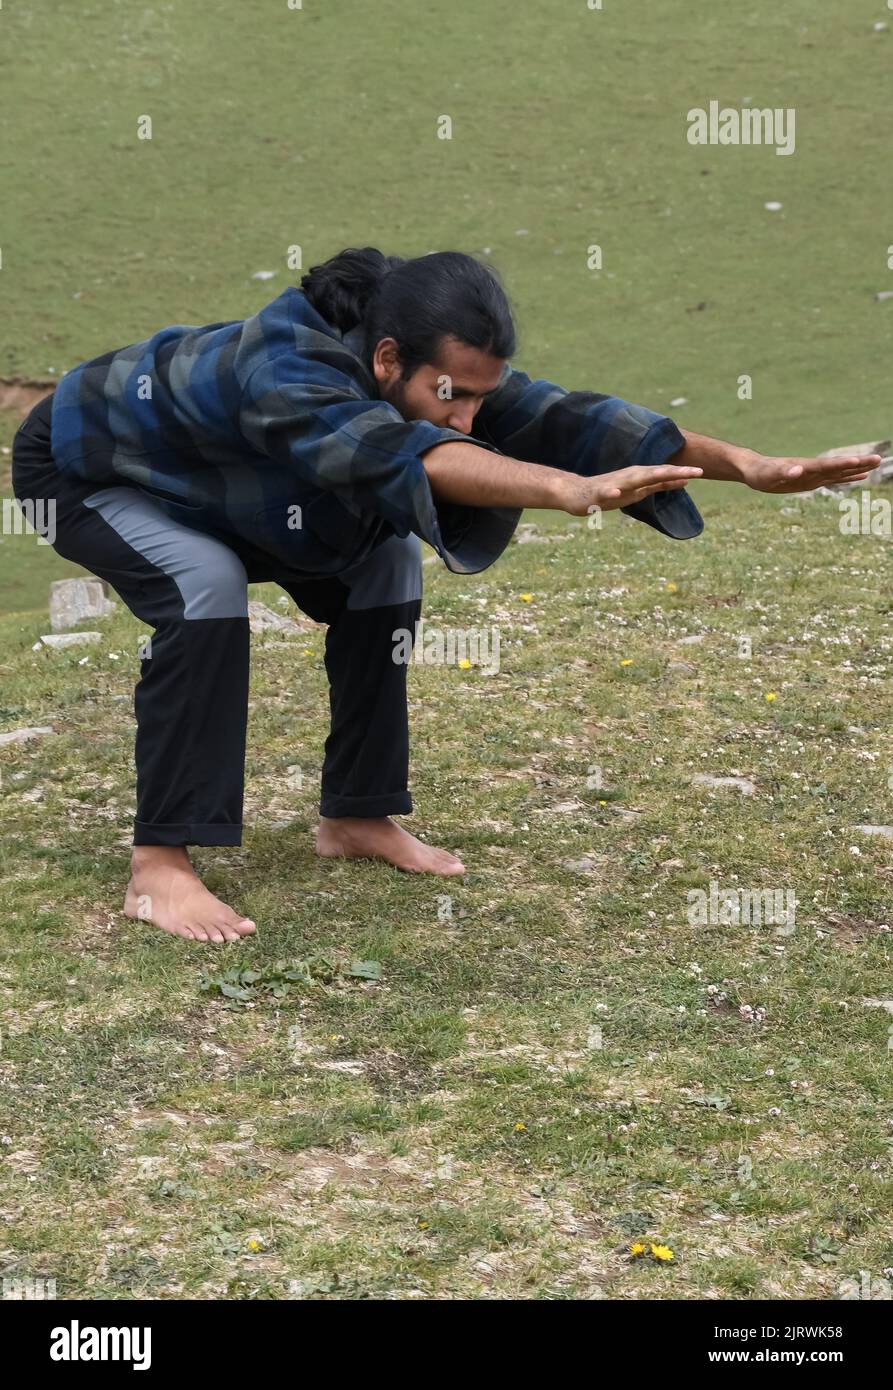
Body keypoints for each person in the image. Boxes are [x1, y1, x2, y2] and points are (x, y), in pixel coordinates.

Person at [11, 248, 878, 943]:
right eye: (451, 395)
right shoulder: (286, 367)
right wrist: (564, 491)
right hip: (87, 468)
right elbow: (406, 459)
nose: (467, 413)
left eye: (478, 394)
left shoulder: (434, 360)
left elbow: (572, 419)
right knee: (205, 584)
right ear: (387, 359)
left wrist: (752, 467)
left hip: (229, 480)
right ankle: (160, 864)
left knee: (385, 567)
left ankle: (356, 815)